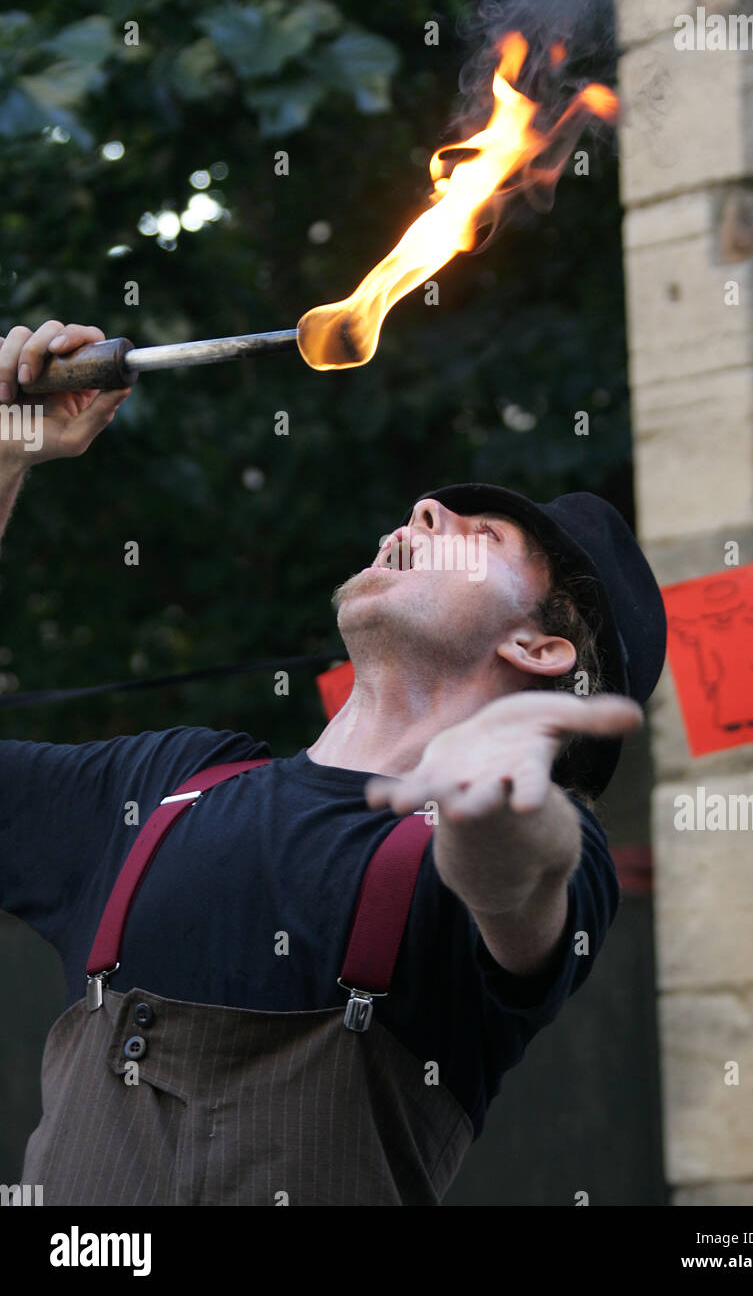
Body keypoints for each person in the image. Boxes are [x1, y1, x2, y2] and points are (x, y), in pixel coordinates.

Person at [0, 319, 666, 1207]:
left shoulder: (550, 845)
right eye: (435, 507)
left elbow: (521, 887)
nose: (424, 510)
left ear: (539, 648)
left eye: (484, 535)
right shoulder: (164, 787)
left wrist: (499, 809)